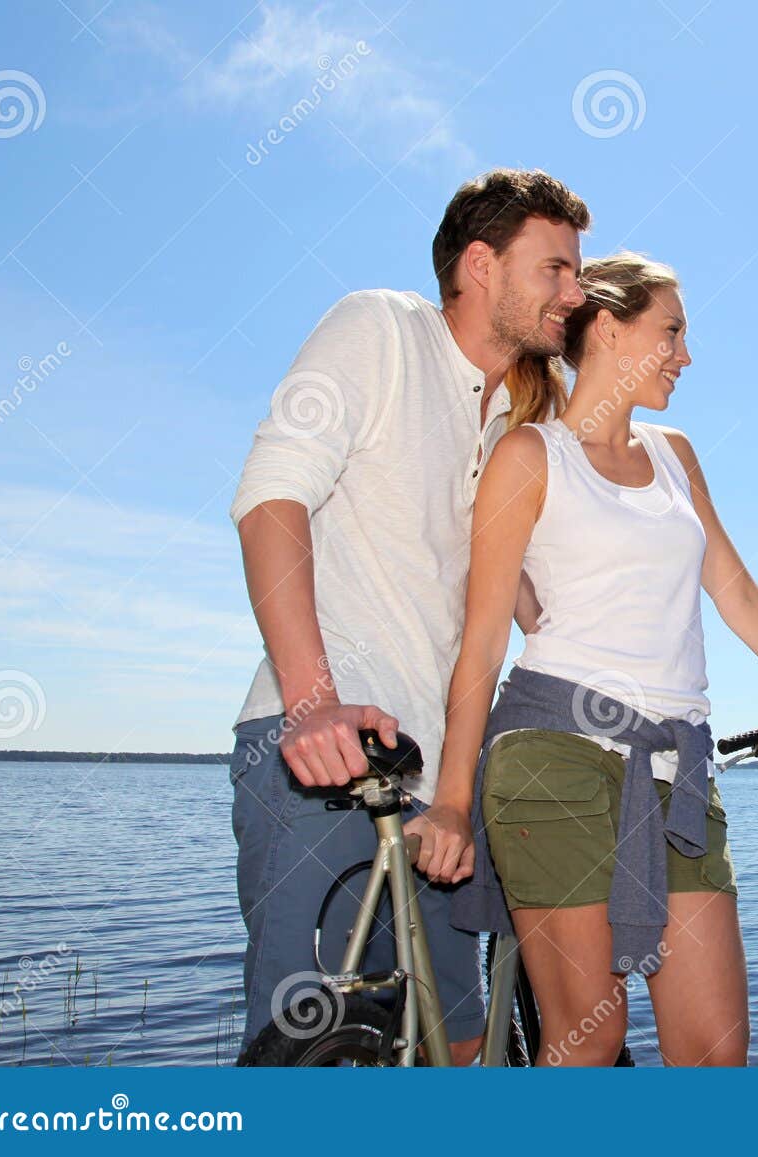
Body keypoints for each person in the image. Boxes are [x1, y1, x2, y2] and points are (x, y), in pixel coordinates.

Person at [433, 252, 758, 1065]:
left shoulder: (676, 455)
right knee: (590, 1040)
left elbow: (740, 595)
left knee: (715, 1052)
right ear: (608, 329)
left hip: (678, 767)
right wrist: (450, 800)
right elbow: (483, 637)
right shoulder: (529, 456)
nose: (686, 356)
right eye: (672, 332)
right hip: (554, 756)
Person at [227, 169, 590, 1064]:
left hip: (439, 790)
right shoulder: (380, 329)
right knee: (304, 1047)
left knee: (456, 1046)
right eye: (555, 269)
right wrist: (313, 702)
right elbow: (270, 499)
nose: (574, 293)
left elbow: (529, 610)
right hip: (322, 754)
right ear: (480, 264)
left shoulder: (517, 423)